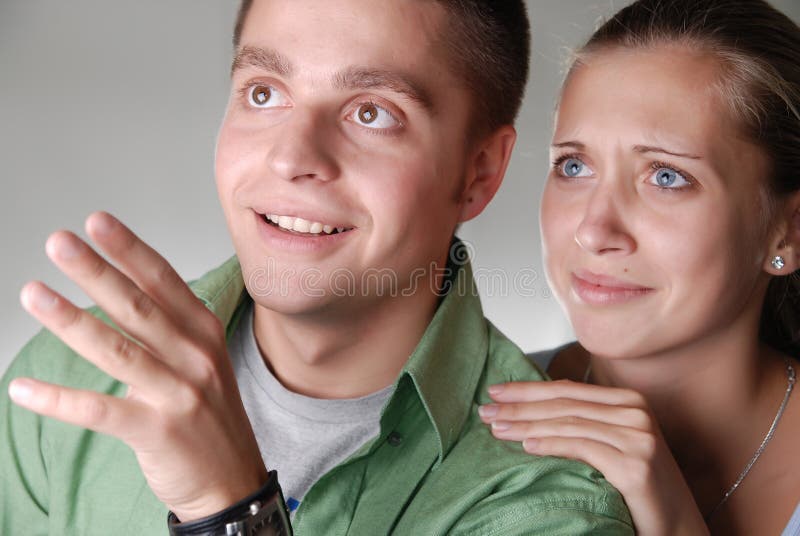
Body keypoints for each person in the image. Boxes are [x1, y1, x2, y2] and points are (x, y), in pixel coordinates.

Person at [0, 0, 634, 534]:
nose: (292, 157)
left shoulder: (549, 501)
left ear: (479, 172)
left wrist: (229, 512)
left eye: (371, 112)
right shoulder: (67, 380)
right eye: (264, 92)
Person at [478, 0, 800, 534]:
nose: (593, 230)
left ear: (787, 231)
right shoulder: (467, 416)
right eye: (573, 166)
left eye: (666, 176)